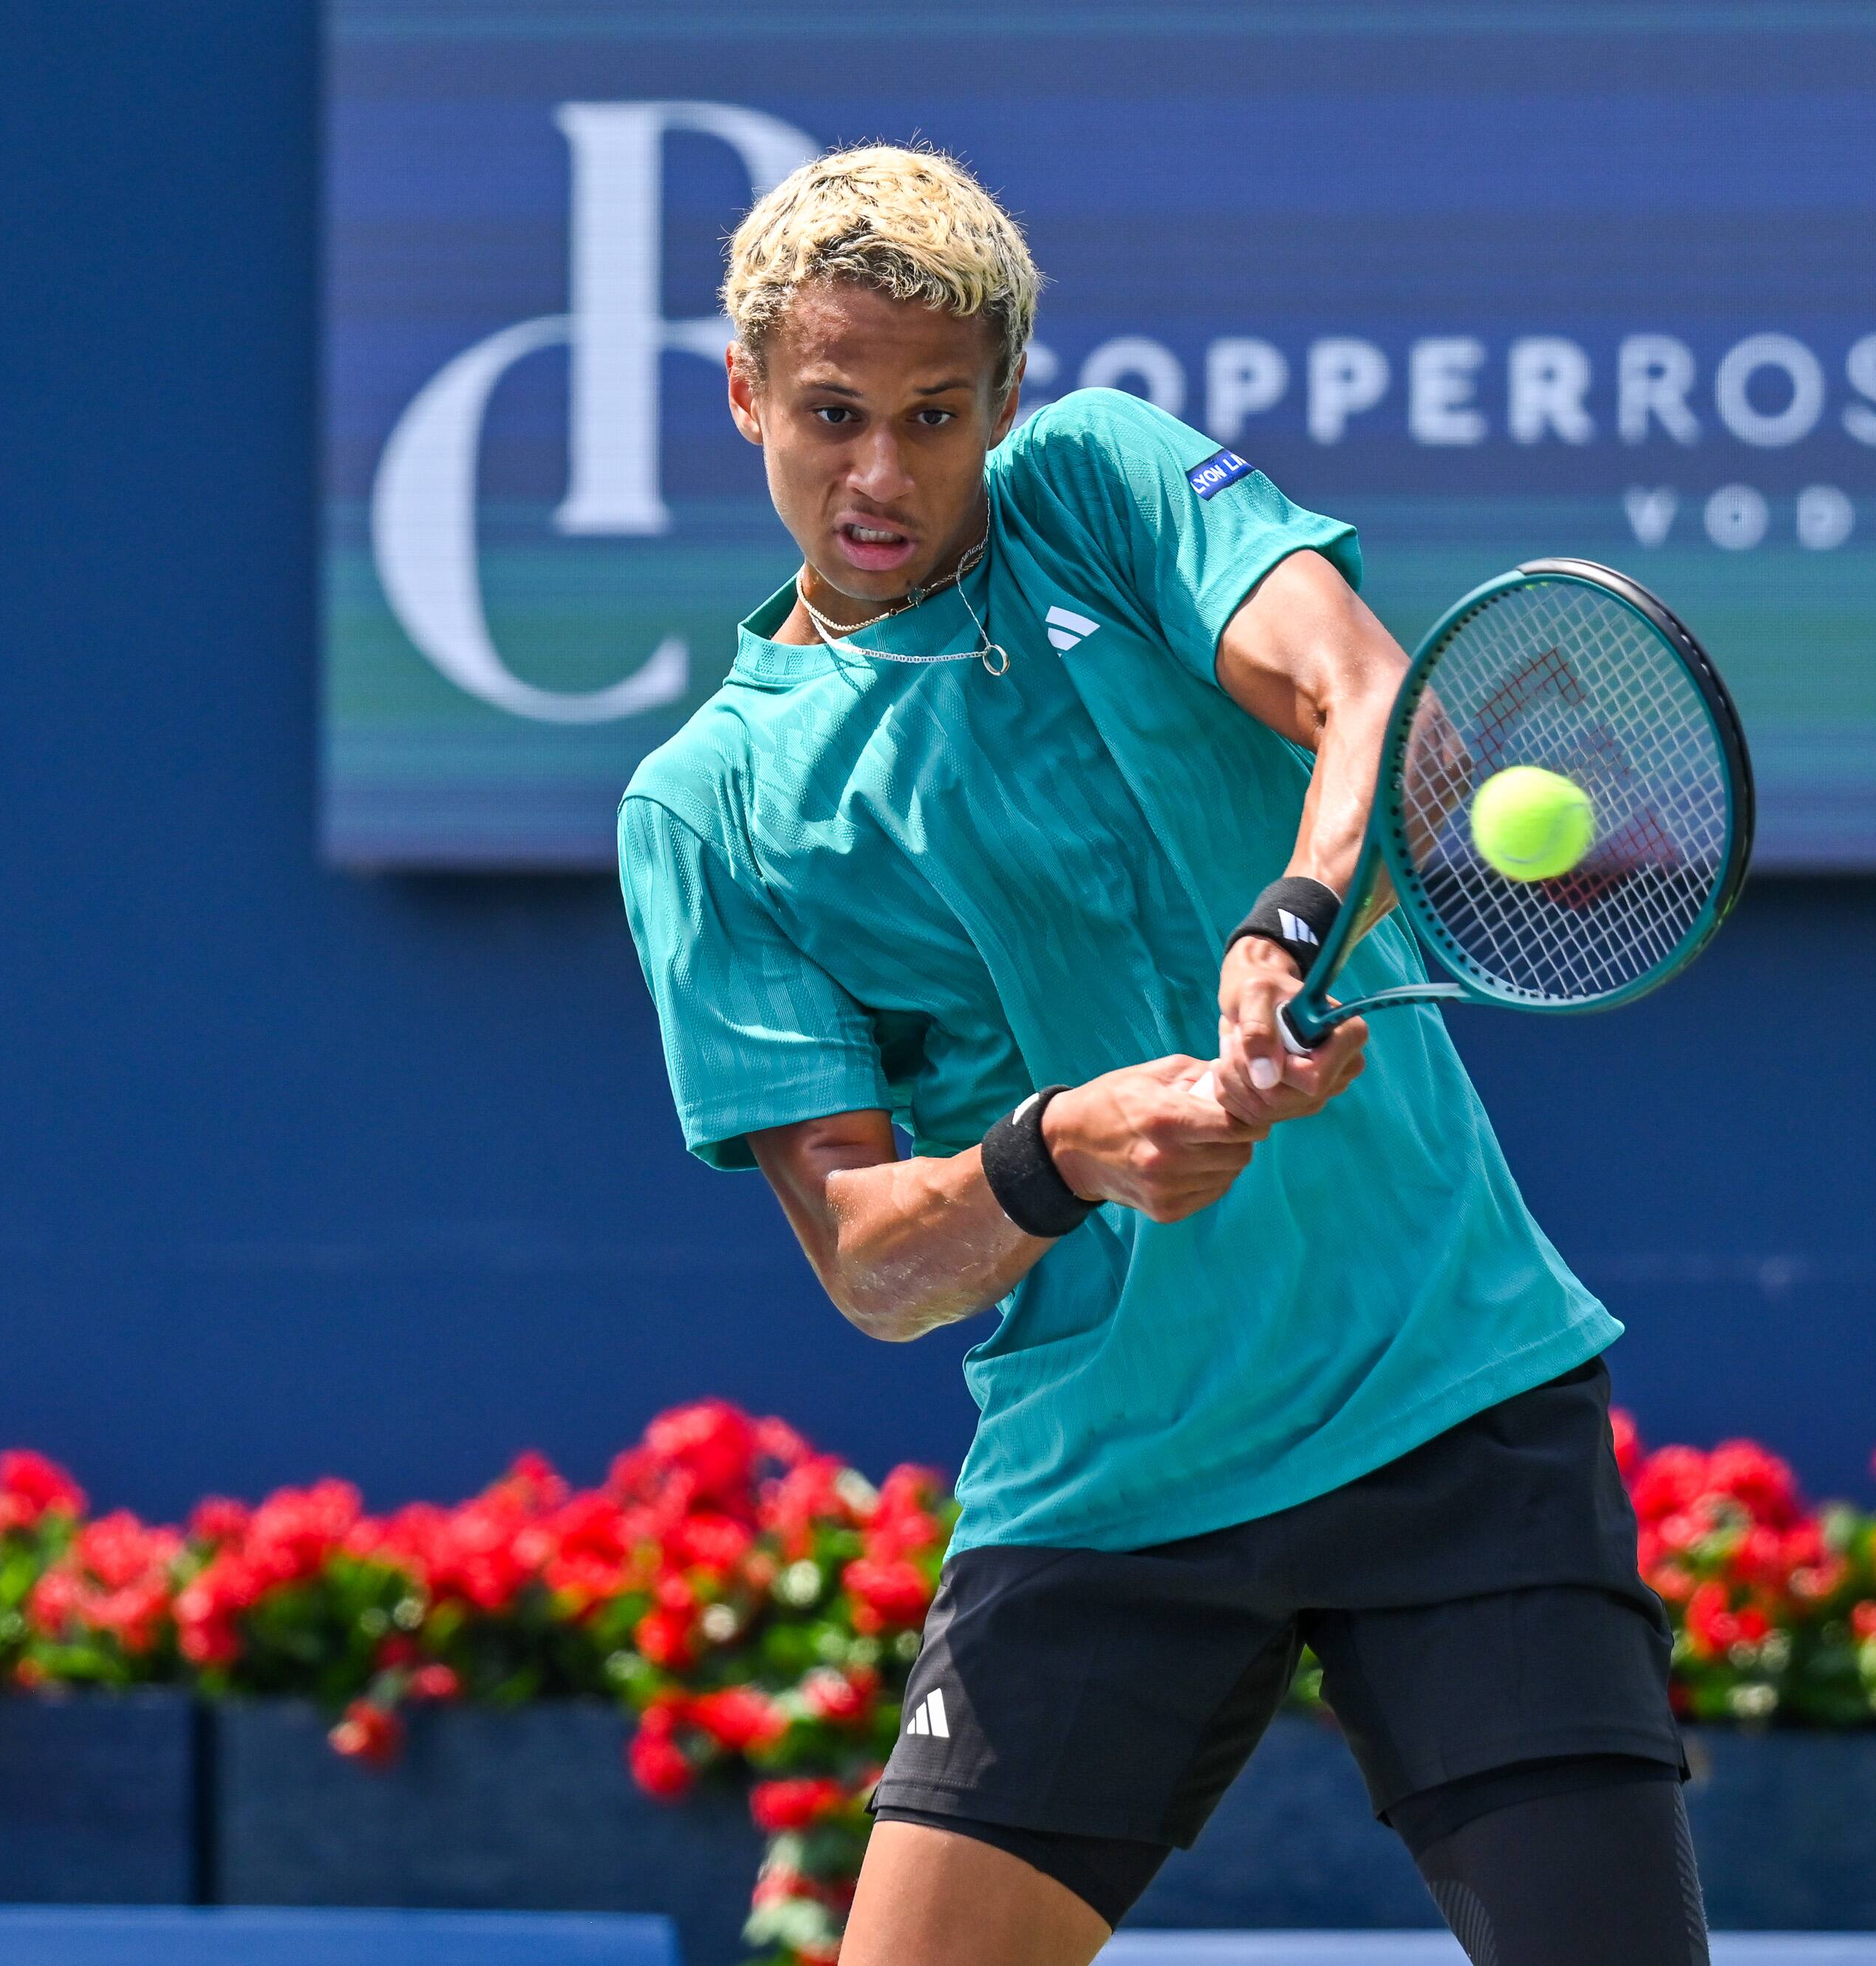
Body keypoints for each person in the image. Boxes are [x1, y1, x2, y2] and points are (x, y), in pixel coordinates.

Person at [617, 145, 1708, 1966]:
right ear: (743, 395)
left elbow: (1364, 694)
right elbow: (876, 1261)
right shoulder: (708, 808)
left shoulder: (1105, 482)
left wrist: (1287, 917)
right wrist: (1062, 1147)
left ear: (1004, 404)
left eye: (932, 415)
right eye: (828, 414)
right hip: (1106, 1476)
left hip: (1443, 1383)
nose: (880, 473)